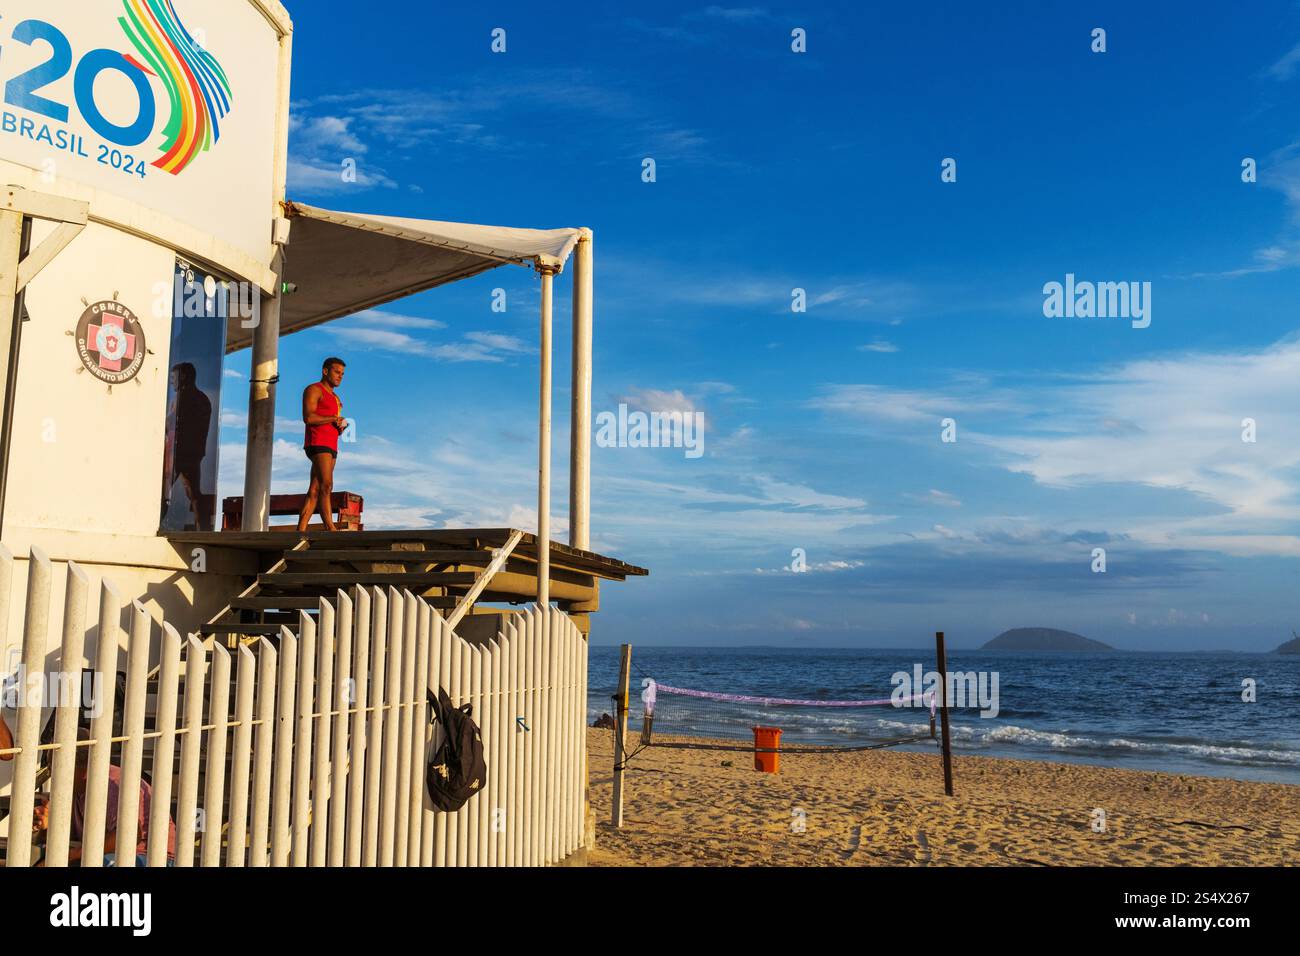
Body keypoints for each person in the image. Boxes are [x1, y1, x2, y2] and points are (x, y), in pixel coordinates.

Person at [32, 727, 178, 866]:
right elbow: (62, 842)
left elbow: (129, 835)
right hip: (110, 854)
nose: (52, 774)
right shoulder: (73, 788)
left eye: (54, 767)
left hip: (152, 857)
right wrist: (48, 826)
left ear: (77, 767)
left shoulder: (113, 784)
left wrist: (72, 856)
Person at [297, 357, 349, 532]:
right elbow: (309, 417)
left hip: (331, 444)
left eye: (342, 374)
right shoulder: (314, 389)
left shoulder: (336, 398)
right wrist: (333, 418)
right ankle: (330, 527)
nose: (340, 376)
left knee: (315, 488)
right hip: (318, 443)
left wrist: (339, 426)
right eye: (336, 372)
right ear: (325, 371)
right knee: (327, 485)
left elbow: (329, 421)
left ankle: (301, 530)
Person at [170, 362, 213, 530]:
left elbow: (170, 423)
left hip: (179, 452)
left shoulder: (182, 398)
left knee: (162, 491)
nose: (172, 382)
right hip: (194, 453)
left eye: (174, 378)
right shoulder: (202, 399)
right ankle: (202, 528)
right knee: (193, 492)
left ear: (183, 377)